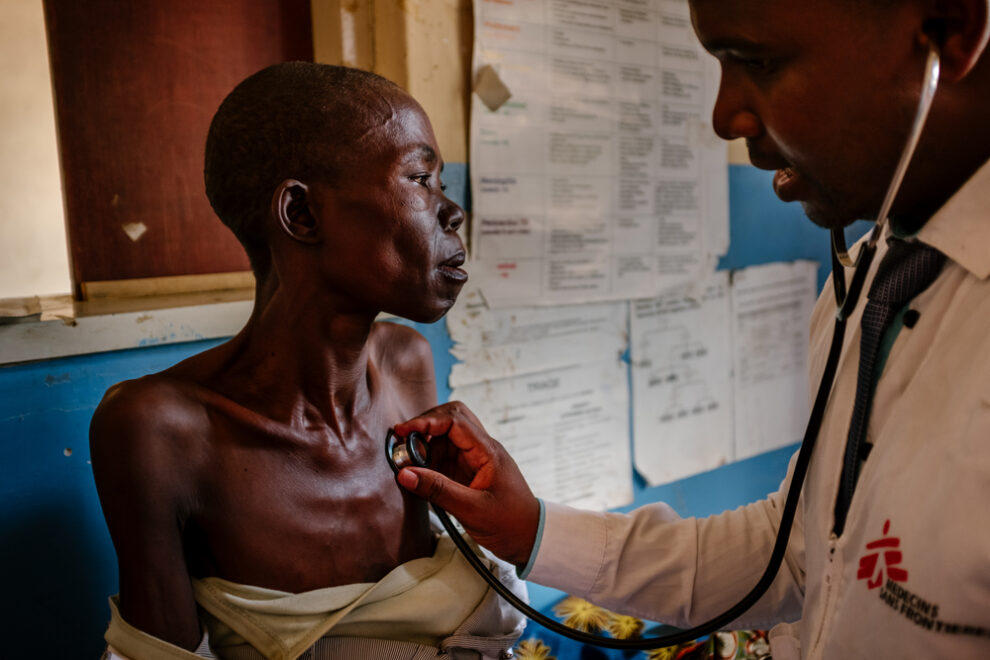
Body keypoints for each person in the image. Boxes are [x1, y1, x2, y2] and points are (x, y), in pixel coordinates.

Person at [394, 0, 990, 658]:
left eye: (758, 61)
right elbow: (799, 552)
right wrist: (530, 530)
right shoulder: (874, 281)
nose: (723, 116)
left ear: (949, 31)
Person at [89, 63, 525, 660]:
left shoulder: (405, 365)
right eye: (421, 178)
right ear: (302, 214)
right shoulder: (157, 430)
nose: (452, 212)